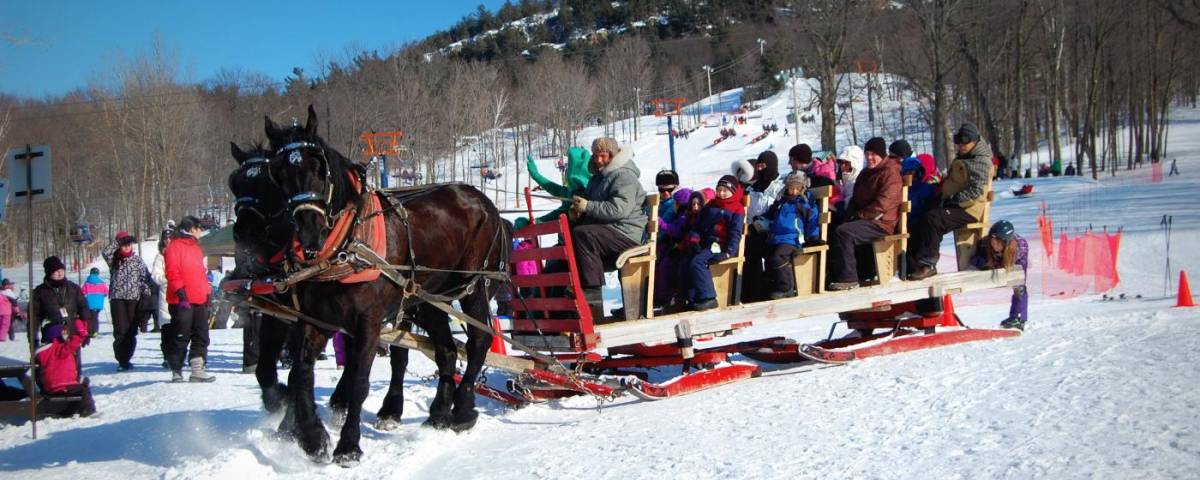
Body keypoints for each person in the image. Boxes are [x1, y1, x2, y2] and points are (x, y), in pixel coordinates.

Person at [564, 137, 647, 323]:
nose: (598, 160)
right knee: (569, 240)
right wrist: (577, 213)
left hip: (626, 233)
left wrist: (588, 207)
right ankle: (570, 302)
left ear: (613, 154)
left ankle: (592, 295)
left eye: (602, 155)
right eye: (595, 156)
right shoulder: (597, 180)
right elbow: (592, 207)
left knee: (584, 235)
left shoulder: (624, 176)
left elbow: (619, 209)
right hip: (608, 231)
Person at [909, 123, 995, 280]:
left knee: (933, 219)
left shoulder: (980, 161)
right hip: (953, 203)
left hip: (968, 208)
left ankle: (927, 264)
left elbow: (976, 191)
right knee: (920, 217)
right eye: (959, 142)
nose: (961, 146)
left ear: (974, 142)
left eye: (964, 142)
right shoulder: (964, 156)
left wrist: (953, 200)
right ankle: (912, 263)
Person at [828, 137, 902, 290]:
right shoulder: (865, 174)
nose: (869, 157)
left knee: (844, 232)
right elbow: (856, 199)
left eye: (873, 154)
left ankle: (849, 278)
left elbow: (883, 203)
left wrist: (860, 216)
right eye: (867, 154)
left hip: (882, 222)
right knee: (838, 228)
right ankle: (848, 273)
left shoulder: (890, 174)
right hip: (867, 220)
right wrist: (849, 216)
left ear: (882, 155)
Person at [677, 176, 745, 311]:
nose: (721, 193)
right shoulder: (711, 205)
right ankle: (691, 298)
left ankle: (708, 297)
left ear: (733, 191)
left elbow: (735, 233)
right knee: (685, 261)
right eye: (719, 190)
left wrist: (728, 252)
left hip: (720, 245)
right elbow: (698, 225)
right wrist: (694, 238)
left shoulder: (737, 209)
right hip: (705, 243)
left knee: (698, 262)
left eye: (725, 190)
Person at [164, 216, 216, 383]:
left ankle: (197, 369)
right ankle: (176, 369)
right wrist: (180, 292)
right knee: (181, 335)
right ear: (192, 228)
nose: (201, 231)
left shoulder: (197, 248)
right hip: (182, 299)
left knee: (201, 334)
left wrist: (207, 292)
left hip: (199, 298)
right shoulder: (174, 246)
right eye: (199, 228)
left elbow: (201, 272)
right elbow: (172, 271)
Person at [765, 172, 821, 299]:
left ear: (802, 188)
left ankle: (786, 287)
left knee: (778, 256)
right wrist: (761, 219)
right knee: (768, 255)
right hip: (776, 237)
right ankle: (771, 286)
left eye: (797, 188)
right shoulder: (782, 201)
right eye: (791, 187)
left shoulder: (803, 203)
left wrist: (813, 238)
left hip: (794, 239)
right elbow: (770, 214)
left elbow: (812, 220)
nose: (793, 191)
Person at [102, 231, 152, 370]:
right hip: (118, 299)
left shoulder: (137, 261)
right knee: (120, 331)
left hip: (134, 300)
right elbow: (105, 251)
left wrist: (146, 295)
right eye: (124, 245)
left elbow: (145, 279)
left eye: (129, 244)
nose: (127, 247)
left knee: (131, 332)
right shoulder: (113, 259)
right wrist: (119, 241)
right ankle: (121, 359)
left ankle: (127, 357)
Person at [742, 151, 786, 303]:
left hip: (775, 231)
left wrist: (763, 224)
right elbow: (746, 211)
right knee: (747, 248)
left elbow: (780, 212)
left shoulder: (780, 188)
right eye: (758, 166)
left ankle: (771, 286)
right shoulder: (752, 189)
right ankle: (752, 291)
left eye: (764, 166)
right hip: (754, 230)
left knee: (764, 248)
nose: (760, 169)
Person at [970, 220, 1029, 330]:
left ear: (1006, 243)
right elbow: (975, 260)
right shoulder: (986, 244)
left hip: (1016, 261)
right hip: (1000, 258)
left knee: (1019, 284)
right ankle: (1015, 317)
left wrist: (994, 263)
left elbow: (1006, 266)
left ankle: (1018, 318)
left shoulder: (1019, 247)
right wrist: (984, 263)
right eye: (992, 242)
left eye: (997, 243)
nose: (994, 246)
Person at [516, 147, 592, 230]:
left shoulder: (587, 194)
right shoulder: (571, 191)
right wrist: (536, 175)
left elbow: (558, 213)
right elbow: (553, 188)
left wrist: (535, 222)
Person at [34, 320, 96, 417]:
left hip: (50, 386)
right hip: (63, 385)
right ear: (56, 334)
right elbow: (73, 344)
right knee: (83, 390)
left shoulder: (42, 352)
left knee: (82, 383)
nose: (66, 334)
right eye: (63, 332)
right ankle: (88, 410)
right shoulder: (59, 348)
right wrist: (81, 334)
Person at [29, 256, 90, 347]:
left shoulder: (73, 288)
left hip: (72, 334)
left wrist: (86, 332)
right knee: (54, 360)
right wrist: (33, 339)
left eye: (61, 270)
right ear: (49, 273)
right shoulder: (39, 292)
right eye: (56, 271)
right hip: (51, 336)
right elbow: (33, 318)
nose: (60, 273)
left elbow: (84, 308)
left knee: (72, 360)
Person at [81, 267, 108, 338]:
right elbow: (106, 292)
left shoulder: (87, 283)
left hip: (89, 304)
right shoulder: (102, 283)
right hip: (98, 304)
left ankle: (90, 331)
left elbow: (82, 292)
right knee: (95, 317)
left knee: (89, 318)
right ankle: (94, 331)